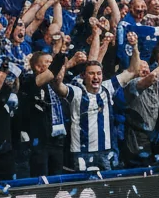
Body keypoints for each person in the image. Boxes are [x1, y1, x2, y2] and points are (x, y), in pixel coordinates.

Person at [51, 32, 140, 172]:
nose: (96, 76)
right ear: (84, 76)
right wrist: (61, 58)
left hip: (105, 150)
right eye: (91, 73)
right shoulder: (76, 91)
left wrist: (134, 47)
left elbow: (133, 70)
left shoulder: (107, 88)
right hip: (81, 152)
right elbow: (57, 85)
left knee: (107, 188)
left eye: (99, 73)